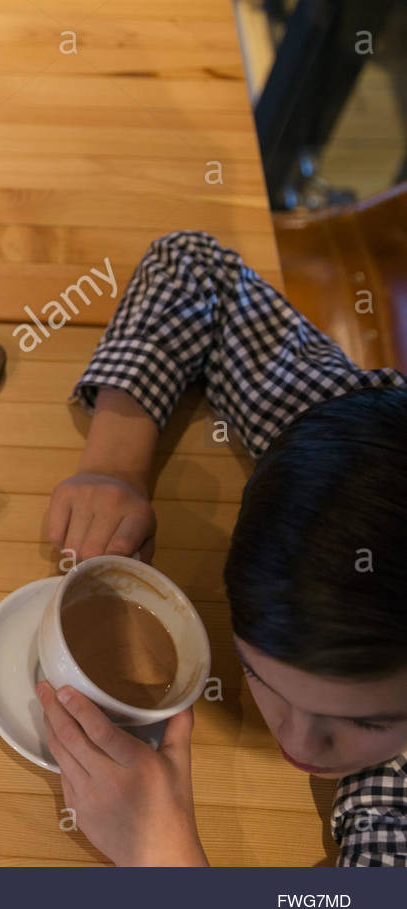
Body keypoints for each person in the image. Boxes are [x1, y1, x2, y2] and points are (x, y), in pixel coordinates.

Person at [40, 230, 407, 867]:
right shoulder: (344, 437)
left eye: (370, 722)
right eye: (260, 677)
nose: (298, 743)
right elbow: (192, 269)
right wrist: (115, 465)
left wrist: (167, 866)